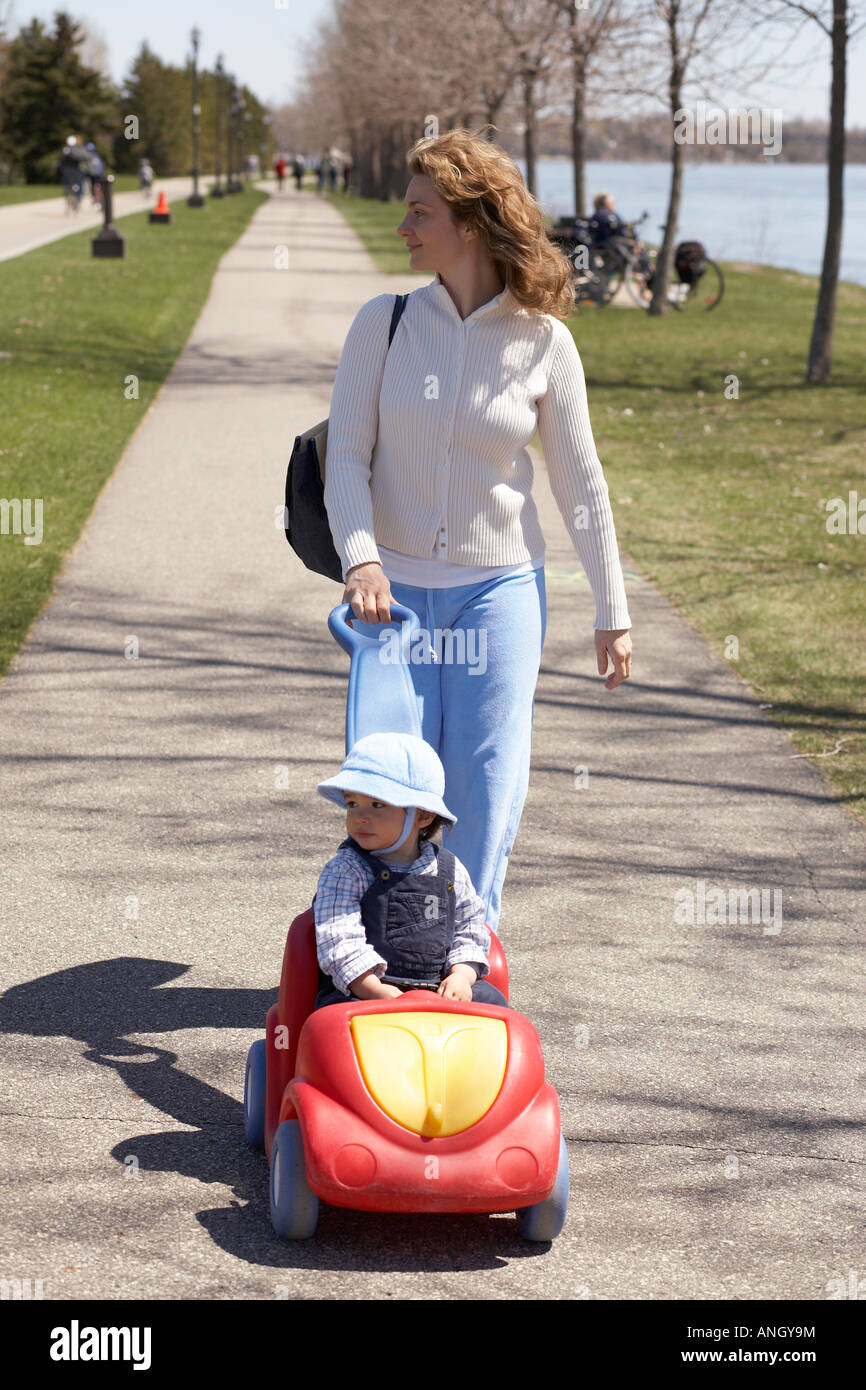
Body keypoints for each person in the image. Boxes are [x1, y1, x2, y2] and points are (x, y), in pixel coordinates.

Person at [322, 128, 632, 935]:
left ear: (472, 221)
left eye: (420, 212)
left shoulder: (544, 342)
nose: (404, 228)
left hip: (500, 591)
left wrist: (613, 608)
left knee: (486, 779)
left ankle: (469, 943)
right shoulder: (384, 323)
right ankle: (386, 939)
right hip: (393, 599)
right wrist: (361, 561)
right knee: (395, 778)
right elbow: (346, 457)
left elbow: (581, 484)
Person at [313, 733, 508, 1010]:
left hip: (440, 987)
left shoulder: (449, 871)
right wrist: (369, 986)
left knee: (496, 1009)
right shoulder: (346, 869)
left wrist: (462, 975)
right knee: (334, 1020)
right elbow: (337, 933)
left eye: (377, 804)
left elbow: (470, 926)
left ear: (422, 816)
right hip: (365, 988)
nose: (360, 817)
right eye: (352, 804)